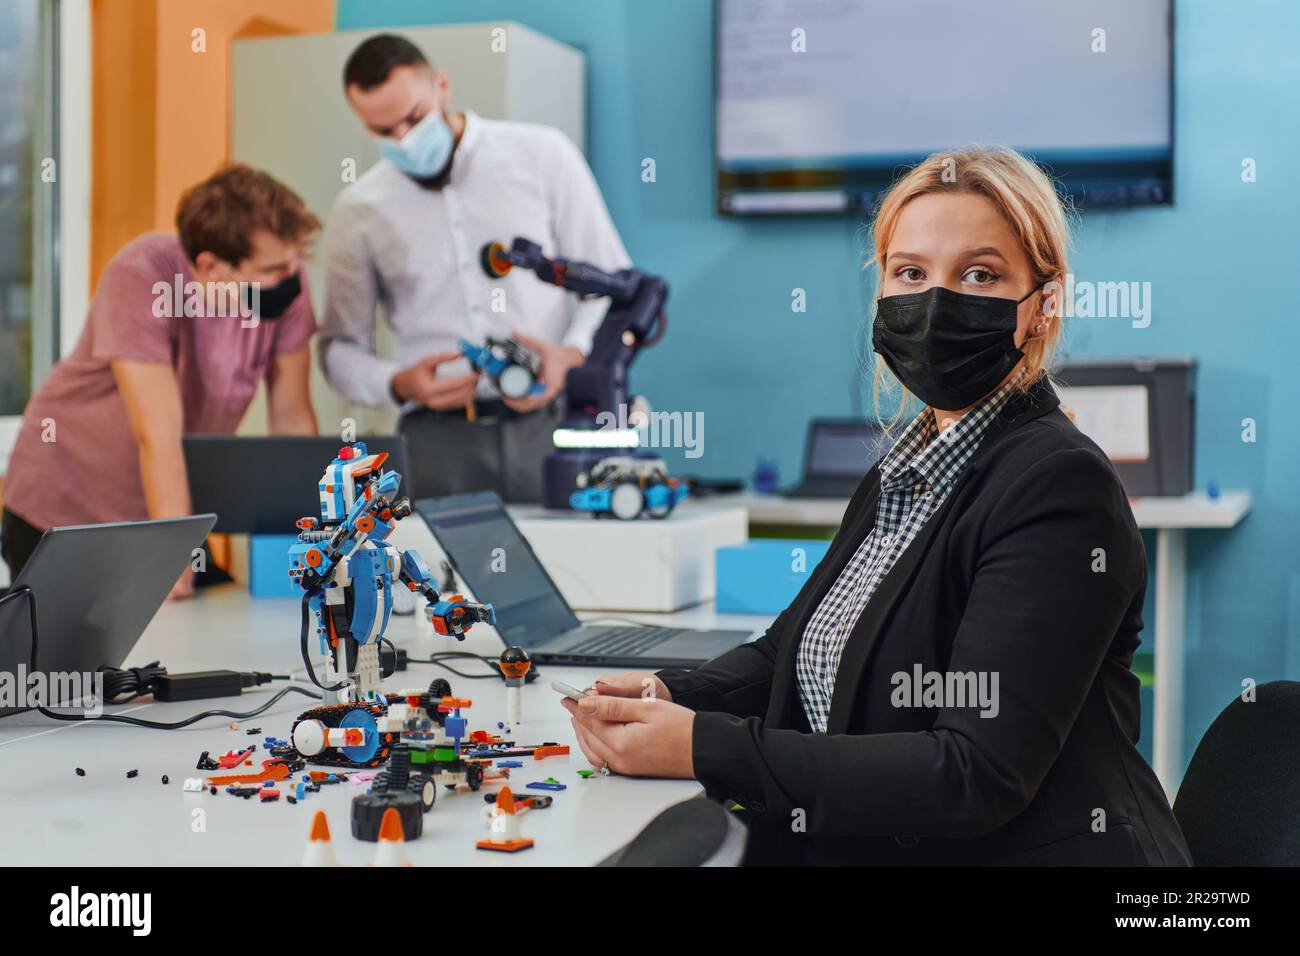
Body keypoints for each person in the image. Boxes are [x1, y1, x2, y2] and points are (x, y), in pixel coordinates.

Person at [563, 147, 1193, 866]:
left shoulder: (1059, 487)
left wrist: (706, 748)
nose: (934, 301)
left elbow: (971, 774)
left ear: (1042, 305)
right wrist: (667, 691)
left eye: (979, 274)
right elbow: (788, 654)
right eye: (910, 273)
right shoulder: (906, 464)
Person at [321, 34, 630, 502]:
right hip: (434, 438)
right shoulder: (359, 209)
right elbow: (340, 349)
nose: (404, 139)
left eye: (414, 118)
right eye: (384, 132)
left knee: (570, 565)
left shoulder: (543, 155)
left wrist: (570, 354)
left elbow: (612, 286)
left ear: (442, 85)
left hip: (550, 425)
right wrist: (398, 383)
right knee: (432, 573)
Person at [0, 164, 320, 596]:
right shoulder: (143, 274)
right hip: (65, 507)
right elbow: (157, 434)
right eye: (273, 269)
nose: (292, 277)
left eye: (293, 262)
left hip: (159, 509)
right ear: (211, 266)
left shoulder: (284, 287)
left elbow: (293, 421)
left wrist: (319, 543)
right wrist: (173, 560)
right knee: (79, 651)